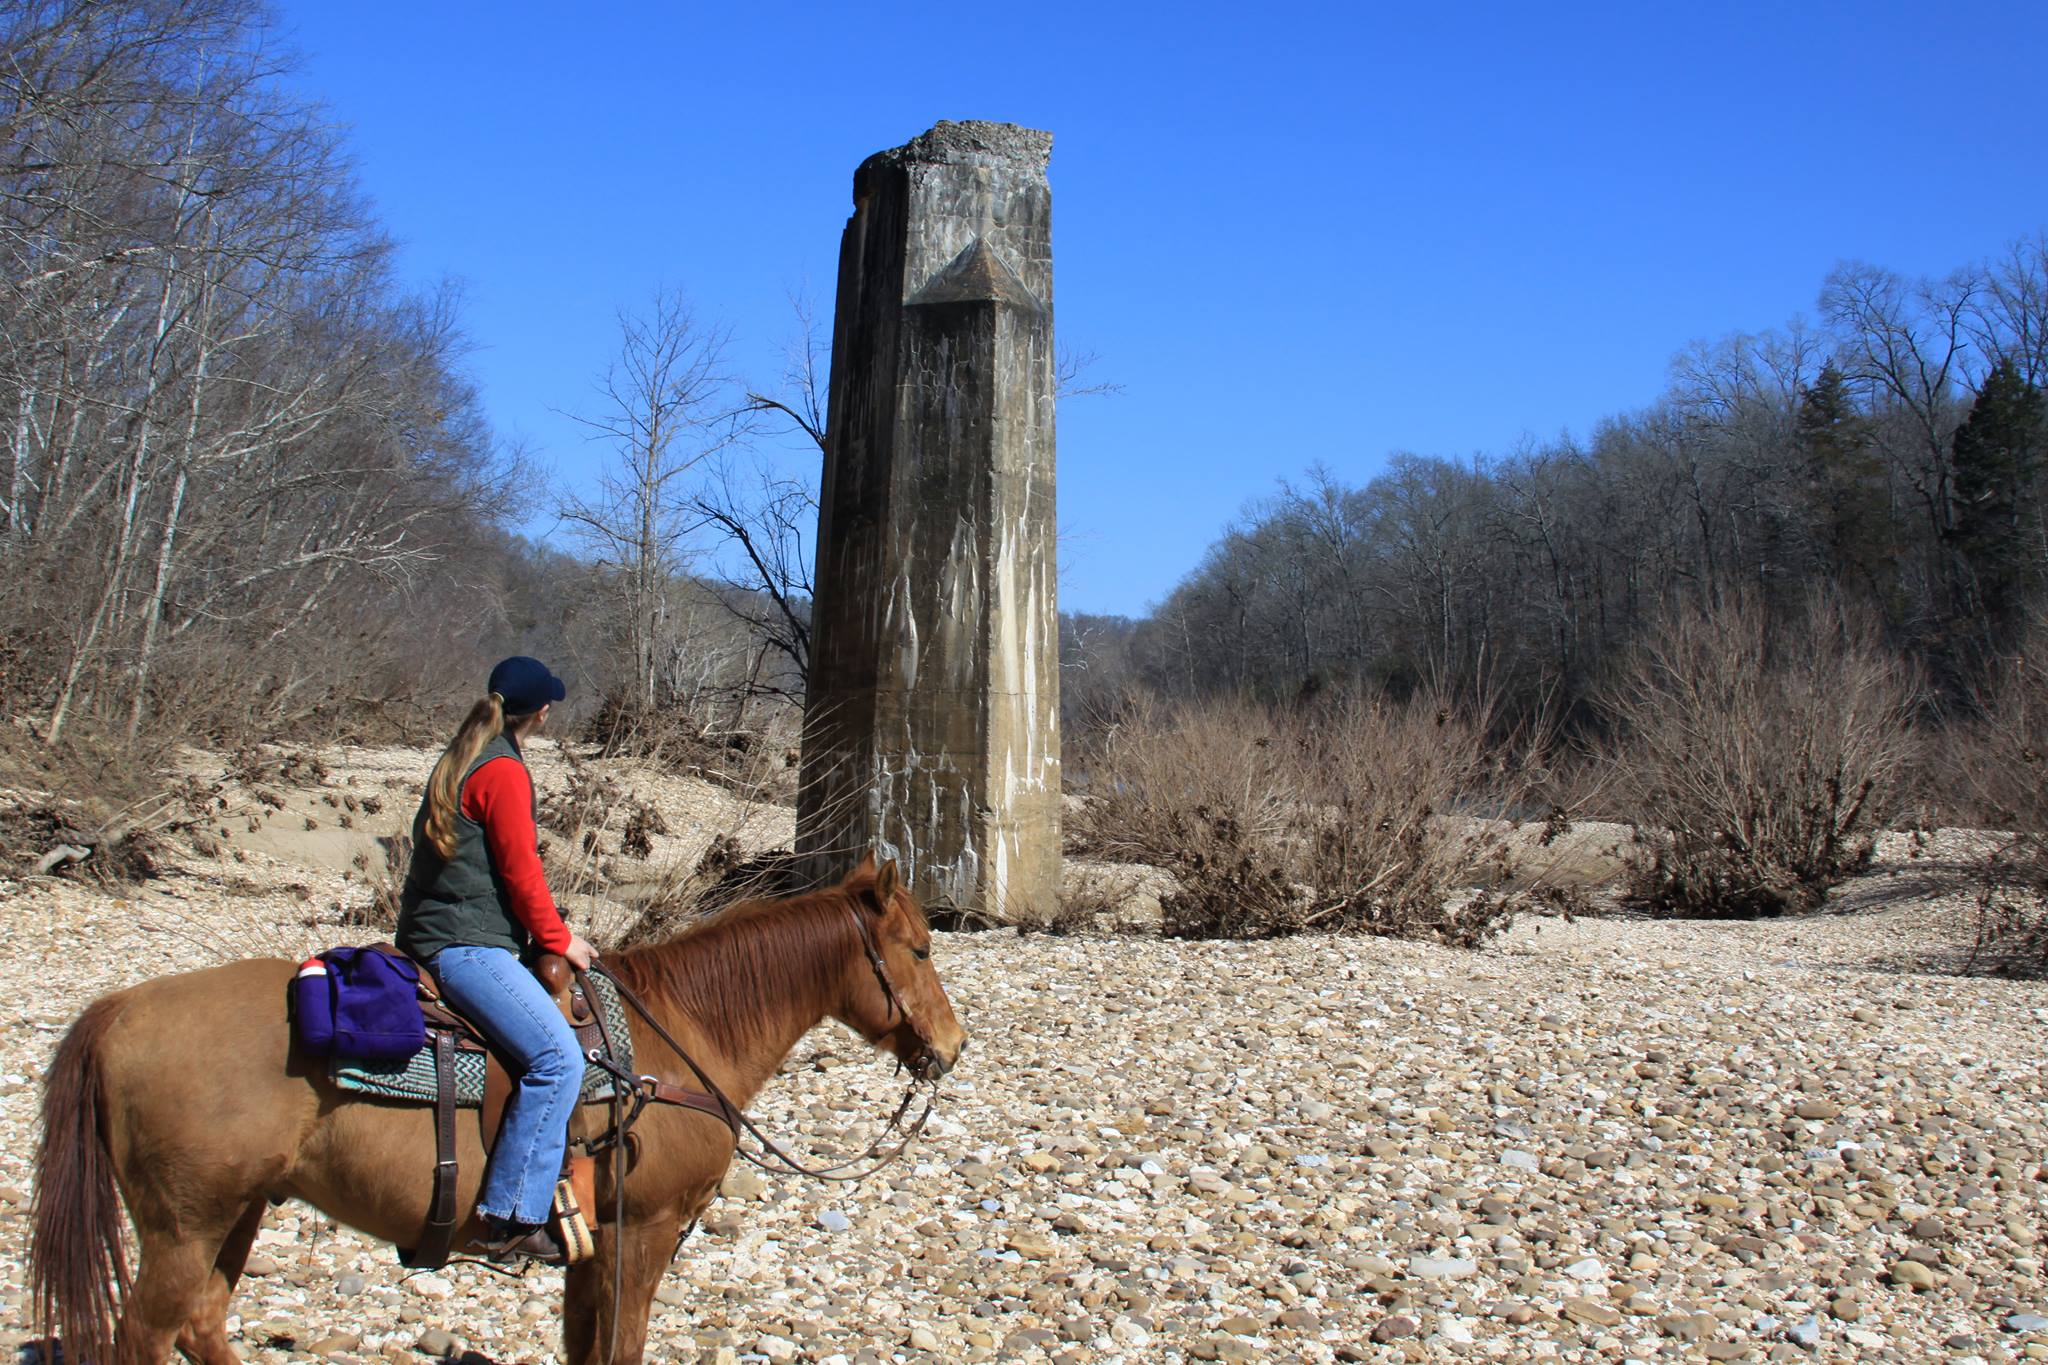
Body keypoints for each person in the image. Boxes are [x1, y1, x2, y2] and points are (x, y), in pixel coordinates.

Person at [396, 656, 596, 1262]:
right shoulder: (504, 770)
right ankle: (513, 1214)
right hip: (464, 944)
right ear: (540, 713)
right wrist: (559, 938)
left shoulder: (464, 752)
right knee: (558, 1058)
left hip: (433, 932)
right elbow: (521, 872)